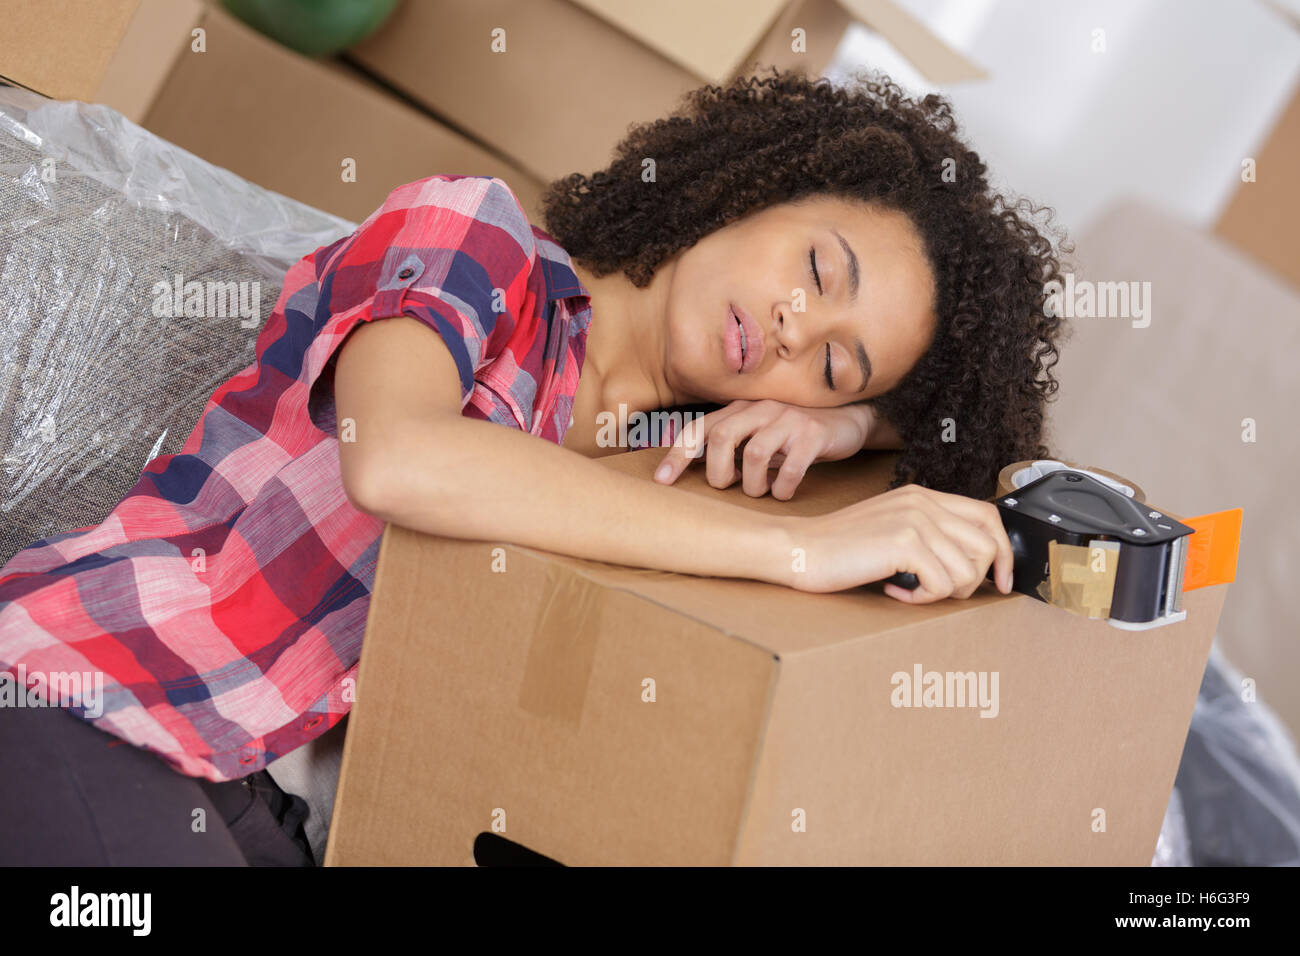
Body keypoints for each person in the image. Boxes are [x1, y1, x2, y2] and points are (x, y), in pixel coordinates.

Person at [0, 68, 1067, 864]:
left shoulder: (663, 458)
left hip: (241, 781)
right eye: (815, 266)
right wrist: (800, 543)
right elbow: (401, 458)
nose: (795, 325)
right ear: (753, 190)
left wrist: (854, 425)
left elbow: (948, 456)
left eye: (835, 358)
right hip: (86, 693)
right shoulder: (480, 239)